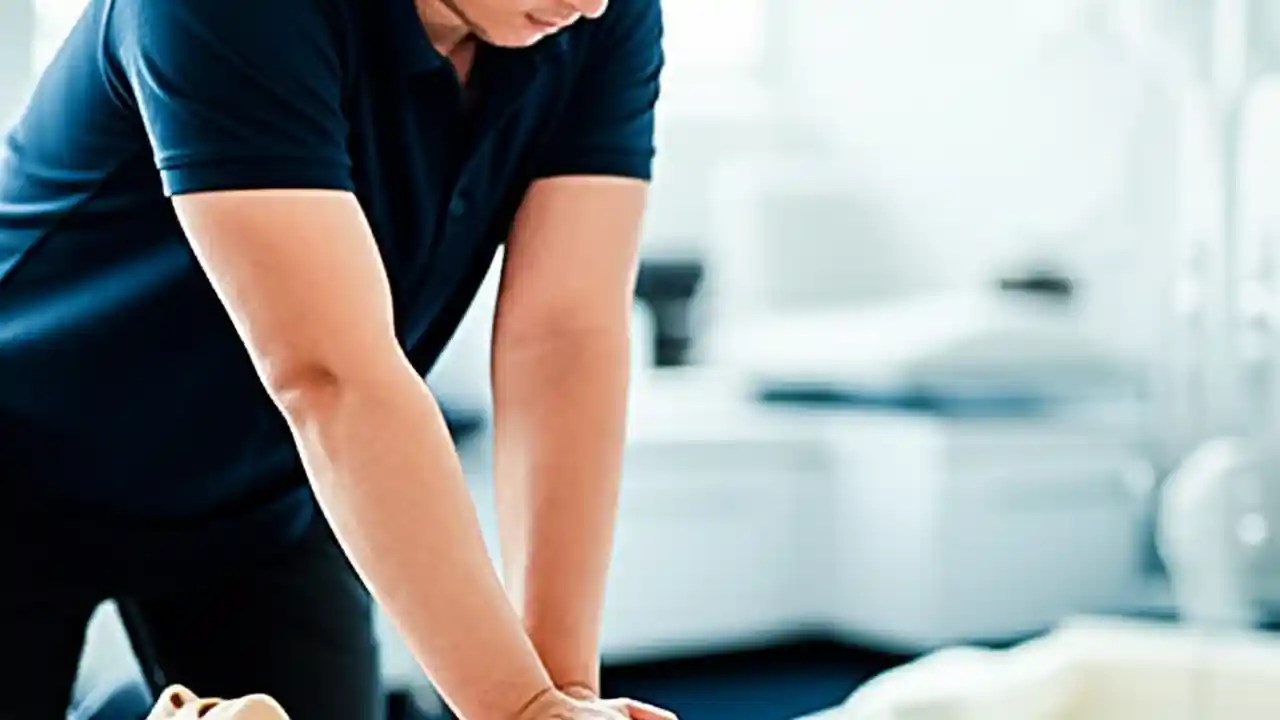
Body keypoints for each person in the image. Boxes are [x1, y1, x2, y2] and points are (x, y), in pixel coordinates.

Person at [0, 0, 674, 718]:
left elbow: (562, 334)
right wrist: (519, 709)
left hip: (261, 494)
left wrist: (562, 693)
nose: (594, 2)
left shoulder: (599, 17)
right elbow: (330, 377)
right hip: (21, 462)